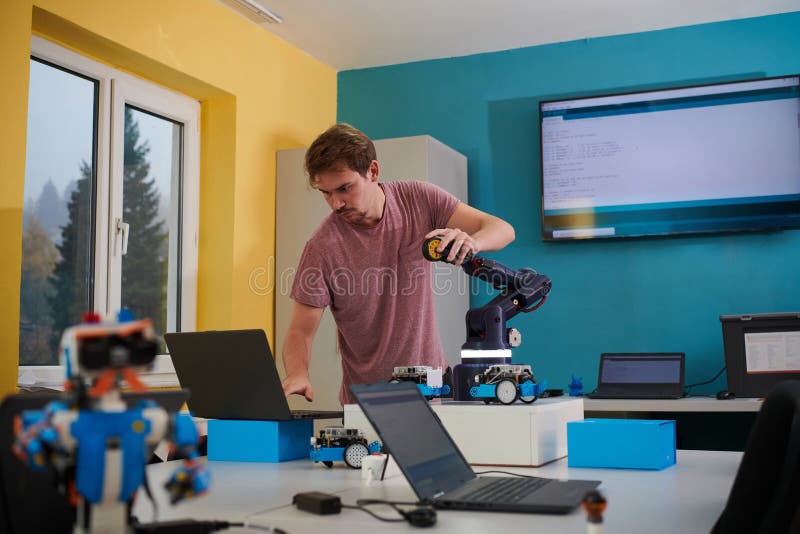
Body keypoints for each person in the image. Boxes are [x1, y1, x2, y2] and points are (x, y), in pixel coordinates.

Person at [281, 123, 515, 405]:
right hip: (368, 402)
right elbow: (300, 331)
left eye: (344, 188)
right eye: (326, 193)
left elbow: (502, 229)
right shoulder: (321, 247)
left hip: (434, 389)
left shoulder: (419, 199)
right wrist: (297, 373)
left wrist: (472, 242)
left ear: (373, 171)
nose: (336, 204)